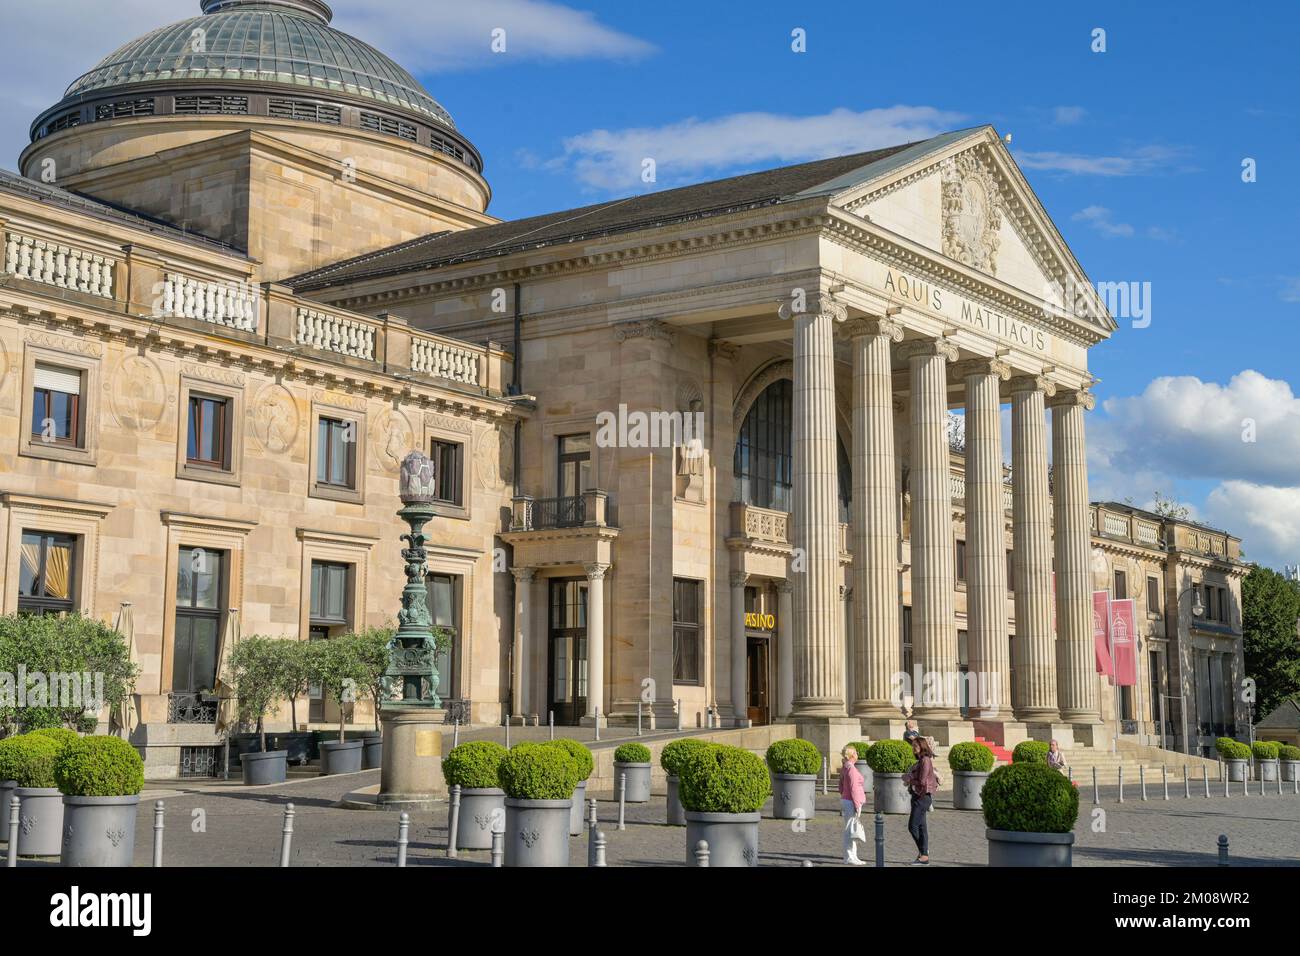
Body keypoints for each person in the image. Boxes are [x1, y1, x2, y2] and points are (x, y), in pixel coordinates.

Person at [901, 735, 939, 865]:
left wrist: (908, 779)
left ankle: (923, 853)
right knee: (922, 827)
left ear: (922, 746)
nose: (913, 748)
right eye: (913, 746)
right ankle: (924, 856)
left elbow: (922, 781)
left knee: (913, 826)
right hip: (918, 795)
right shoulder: (921, 760)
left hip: (922, 796)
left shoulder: (925, 760)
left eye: (916, 746)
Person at [839, 745, 867, 865]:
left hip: (847, 800)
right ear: (851, 755)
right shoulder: (851, 769)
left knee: (852, 829)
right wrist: (857, 804)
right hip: (851, 801)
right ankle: (849, 857)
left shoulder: (846, 767)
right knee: (850, 830)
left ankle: (853, 856)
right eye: (855, 752)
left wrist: (843, 795)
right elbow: (853, 788)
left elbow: (841, 785)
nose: (857, 754)